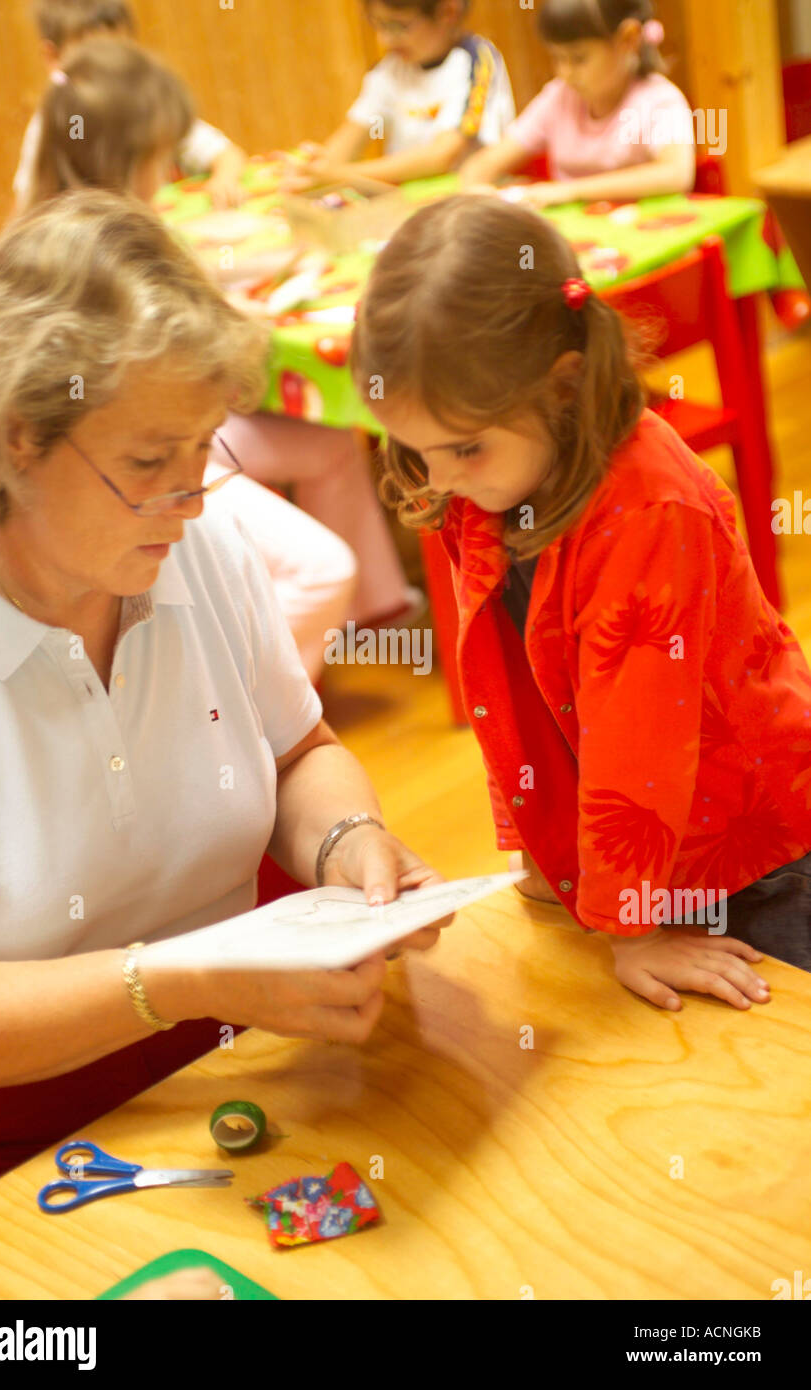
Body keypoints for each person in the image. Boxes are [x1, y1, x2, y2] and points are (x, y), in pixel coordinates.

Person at [0, 191, 450, 1203]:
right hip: (15, 1148)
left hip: (250, 1065)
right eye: (147, 463)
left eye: (204, 451)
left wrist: (347, 840)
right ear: (14, 441)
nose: (194, 500)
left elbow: (299, 750)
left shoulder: (194, 538)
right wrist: (167, 984)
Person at [351, 193, 811, 1010]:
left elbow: (642, 736)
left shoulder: (649, 511)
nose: (443, 480)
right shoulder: (488, 480)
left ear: (563, 388)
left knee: (771, 1047)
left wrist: (628, 927)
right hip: (643, 850)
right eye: (418, 452)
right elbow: (504, 679)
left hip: (753, 845)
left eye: (461, 448)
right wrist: (536, 848)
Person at [21, 35, 362, 682]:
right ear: (127, 159)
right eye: (159, 157)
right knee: (322, 570)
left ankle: (363, 624)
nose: (170, 172)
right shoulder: (96, 249)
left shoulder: (86, 224)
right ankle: (243, 705)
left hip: (154, 453)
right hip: (138, 474)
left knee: (326, 450)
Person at [13, 0, 247, 212]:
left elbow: (224, 154)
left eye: (120, 54)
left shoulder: (147, 106)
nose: (112, 73)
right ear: (53, 58)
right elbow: (27, 208)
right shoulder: (57, 124)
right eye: (92, 62)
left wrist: (224, 179)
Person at [459, 0, 696, 205]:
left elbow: (675, 173)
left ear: (628, 39)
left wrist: (569, 191)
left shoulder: (659, 100)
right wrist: (475, 186)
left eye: (578, 59)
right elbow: (485, 163)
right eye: (557, 58)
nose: (565, 73)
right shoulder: (558, 97)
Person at [288, 0, 515, 188]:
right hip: (407, 200)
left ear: (448, 11)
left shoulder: (477, 61)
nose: (384, 40)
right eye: (378, 25)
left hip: (466, 201)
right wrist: (315, 167)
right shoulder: (390, 69)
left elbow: (443, 156)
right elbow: (349, 138)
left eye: (398, 26)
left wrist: (341, 174)